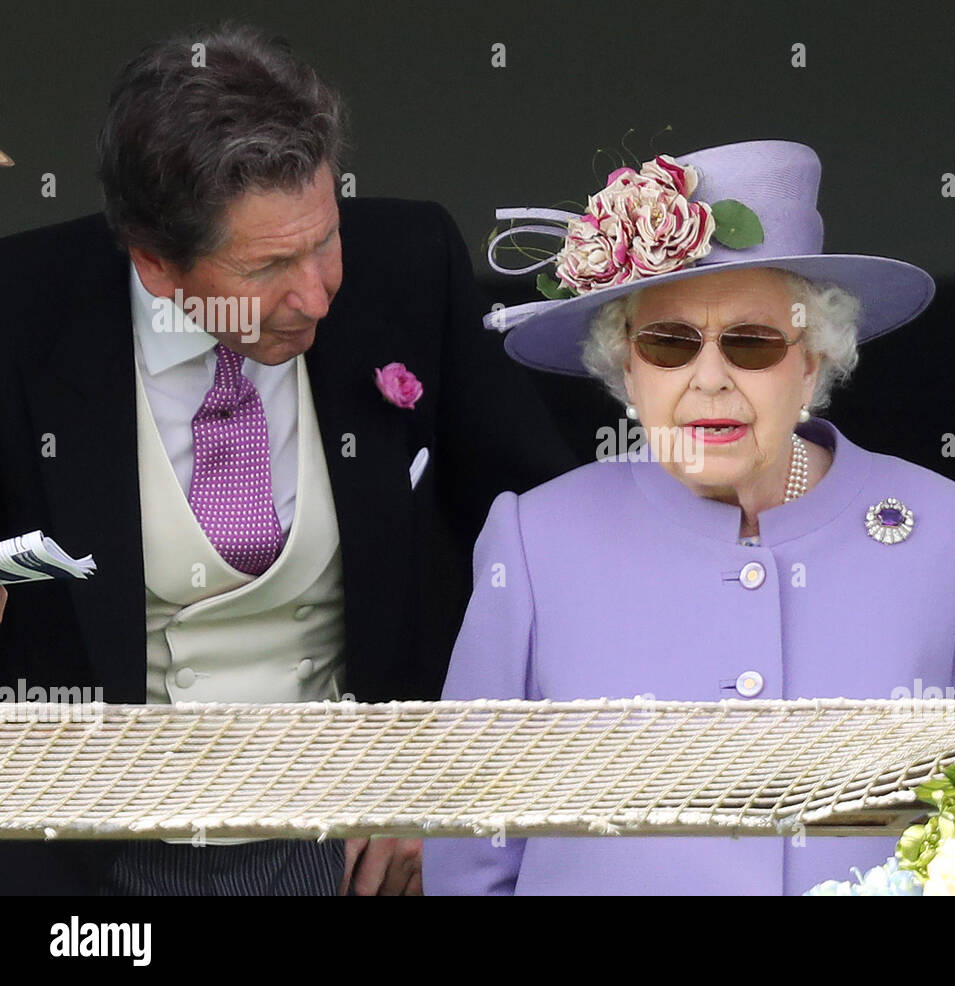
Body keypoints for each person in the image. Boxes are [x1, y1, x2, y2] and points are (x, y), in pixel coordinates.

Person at [0, 24, 570, 894]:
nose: (316, 293)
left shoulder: (410, 265)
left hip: (356, 849)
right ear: (155, 263)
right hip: (87, 859)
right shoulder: (21, 311)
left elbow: (549, 548)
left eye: (323, 240)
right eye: (267, 266)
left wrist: (455, 787)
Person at [421, 140, 955, 895]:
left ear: (812, 362)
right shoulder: (533, 539)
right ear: (626, 366)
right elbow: (469, 857)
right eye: (669, 342)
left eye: (751, 343)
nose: (708, 379)